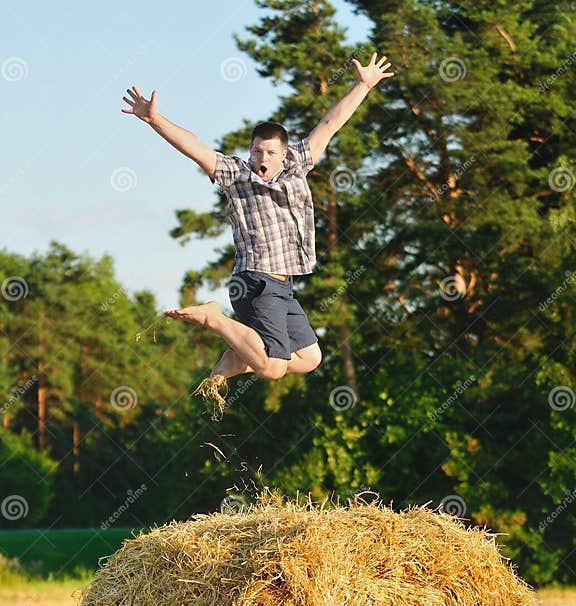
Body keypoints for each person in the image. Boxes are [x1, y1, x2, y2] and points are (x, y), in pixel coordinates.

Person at [122, 53, 394, 410]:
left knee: (310, 357)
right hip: (255, 281)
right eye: (255, 151)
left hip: (283, 286)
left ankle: (235, 359)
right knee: (273, 370)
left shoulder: (298, 164)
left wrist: (363, 85)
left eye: (268, 152)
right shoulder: (237, 175)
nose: (261, 159)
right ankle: (213, 318)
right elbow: (196, 149)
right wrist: (155, 119)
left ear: (284, 154)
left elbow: (330, 124)